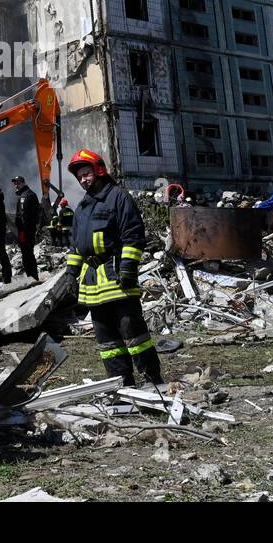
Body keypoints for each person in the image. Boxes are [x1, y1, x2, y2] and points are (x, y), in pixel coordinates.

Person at [65, 150, 162, 387]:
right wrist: (70, 276)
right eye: (80, 177)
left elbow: (132, 235)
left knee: (133, 334)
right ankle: (121, 384)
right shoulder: (82, 208)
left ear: (98, 171)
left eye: (86, 174)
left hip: (116, 277)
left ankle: (153, 380)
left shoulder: (118, 197)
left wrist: (128, 268)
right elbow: (77, 247)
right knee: (106, 341)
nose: (83, 180)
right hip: (93, 283)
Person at [11, 175, 42, 280]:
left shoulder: (26, 196)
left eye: (17, 183)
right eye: (14, 183)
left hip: (25, 231)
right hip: (26, 230)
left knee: (27, 254)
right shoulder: (25, 195)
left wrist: (23, 232)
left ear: (23, 183)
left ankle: (32, 277)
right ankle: (32, 276)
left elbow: (24, 216)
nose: (16, 185)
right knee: (27, 253)